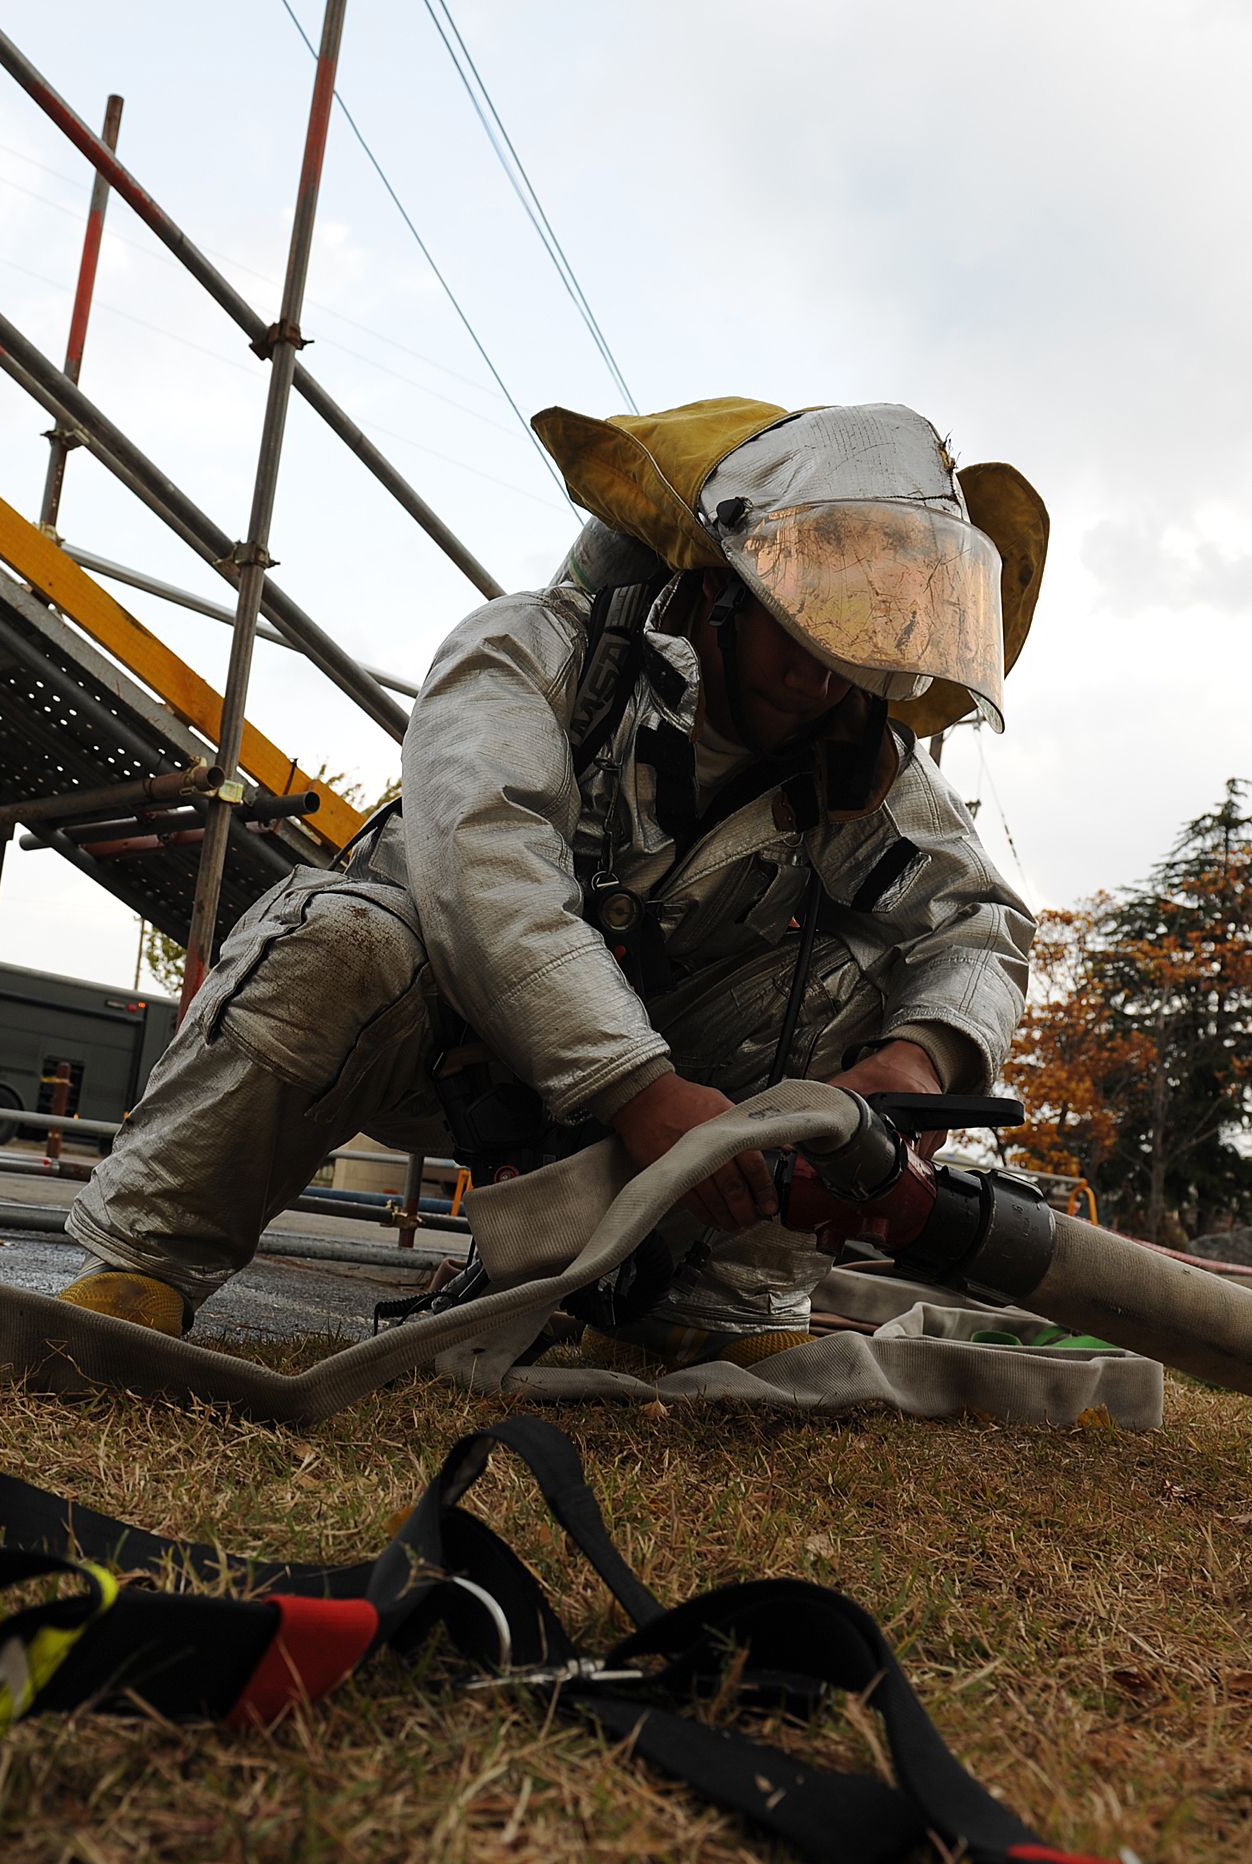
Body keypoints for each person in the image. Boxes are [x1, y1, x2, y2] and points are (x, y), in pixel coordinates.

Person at [60, 397, 1045, 1364]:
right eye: (801, 620)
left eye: (857, 635)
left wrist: (914, 1065)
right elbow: (491, 872)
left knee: (869, 973)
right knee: (341, 943)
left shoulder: (857, 765)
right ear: (722, 583)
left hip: (678, 1086)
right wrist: (641, 1090)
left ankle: (721, 1298)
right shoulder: (528, 652)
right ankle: (146, 1262)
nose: (823, 674)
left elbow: (974, 923)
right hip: (435, 1045)